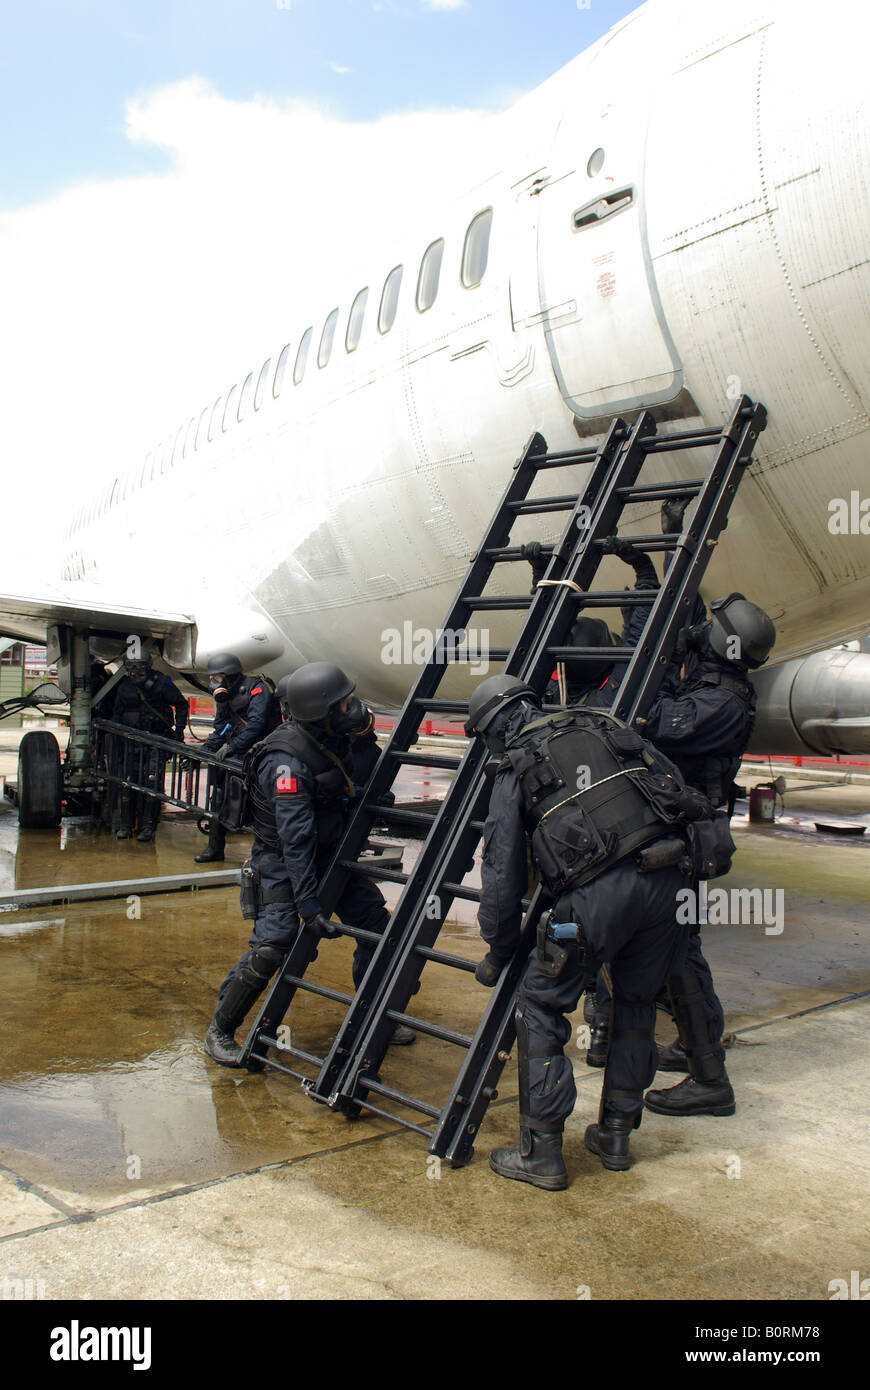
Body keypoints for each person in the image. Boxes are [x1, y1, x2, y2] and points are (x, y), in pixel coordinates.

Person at [465, 674, 718, 1189]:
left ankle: (542, 1153)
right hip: (670, 881)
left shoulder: (515, 766)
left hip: (600, 896)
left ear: (495, 727)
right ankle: (616, 1135)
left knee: (539, 1005)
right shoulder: (606, 725)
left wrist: (500, 945)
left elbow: (500, 874)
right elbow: (673, 787)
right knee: (637, 1003)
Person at [204, 661, 415, 1067]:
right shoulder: (286, 762)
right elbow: (295, 839)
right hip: (284, 862)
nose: (353, 708)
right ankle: (221, 1028)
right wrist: (309, 907)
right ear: (321, 711)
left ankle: (370, 1013)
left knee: (376, 928)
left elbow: (351, 778)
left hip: (328, 852)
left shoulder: (329, 738)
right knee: (274, 943)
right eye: (345, 703)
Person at [638, 589, 776, 1118]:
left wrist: (662, 663)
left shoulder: (720, 702)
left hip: (683, 837)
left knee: (679, 952)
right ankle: (697, 1047)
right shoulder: (716, 682)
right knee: (681, 948)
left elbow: (656, 718)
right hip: (676, 830)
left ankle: (709, 1077)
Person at [194, 653, 281, 863]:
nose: (214, 682)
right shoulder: (226, 695)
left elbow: (256, 725)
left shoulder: (256, 689)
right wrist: (203, 752)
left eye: (217, 677)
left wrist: (232, 747)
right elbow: (221, 727)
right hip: (237, 753)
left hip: (259, 753)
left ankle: (266, 855)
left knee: (261, 804)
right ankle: (215, 848)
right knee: (219, 799)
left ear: (229, 675)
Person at [111, 652, 188, 842]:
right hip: (131, 743)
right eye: (132, 669)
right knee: (129, 784)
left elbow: (180, 704)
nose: (136, 673)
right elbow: (117, 713)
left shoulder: (162, 682)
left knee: (152, 786)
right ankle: (126, 825)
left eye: (140, 668)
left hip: (155, 742)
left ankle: (149, 827)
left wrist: (178, 732)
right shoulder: (124, 686)